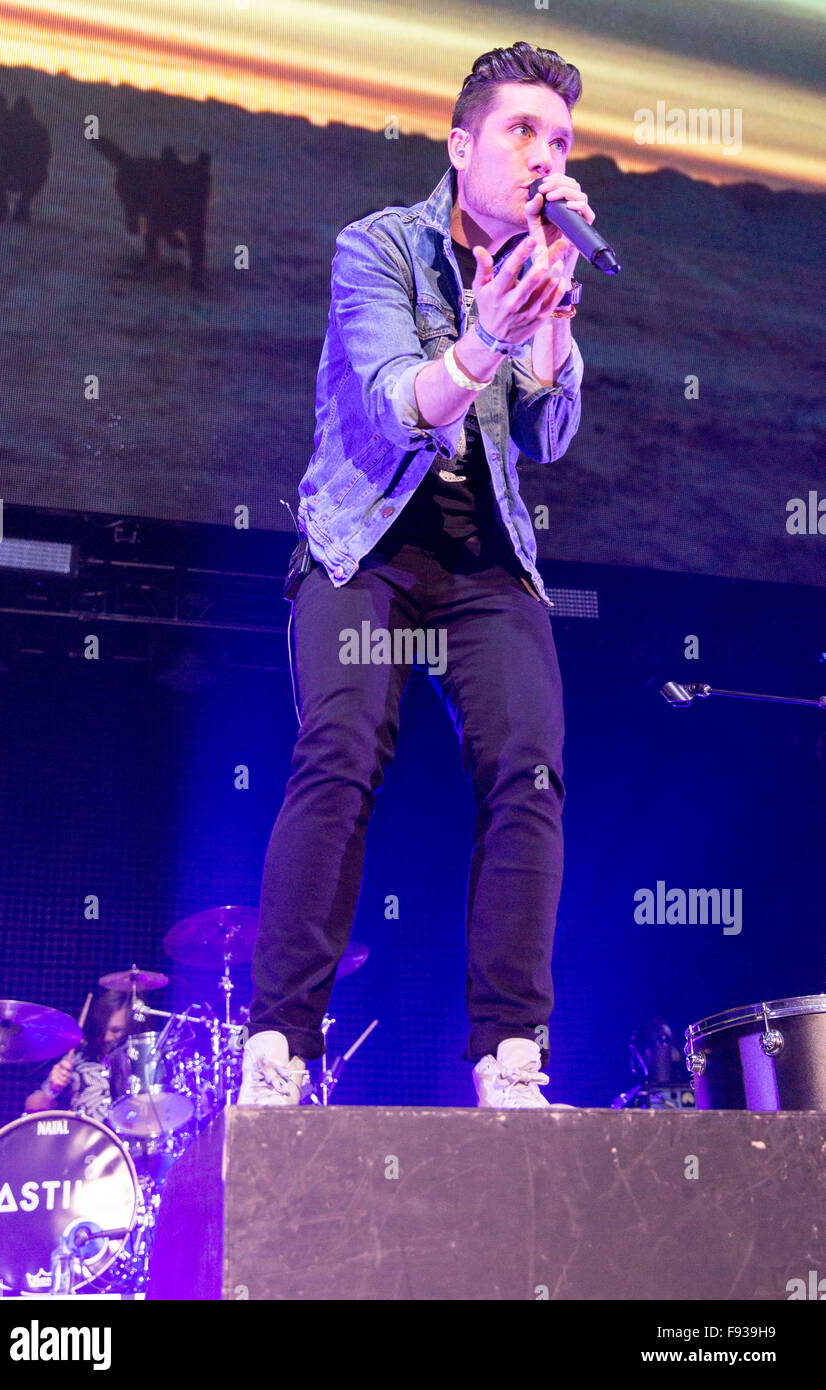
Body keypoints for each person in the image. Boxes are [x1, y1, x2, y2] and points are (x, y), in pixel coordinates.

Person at [239, 43, 593, 1109]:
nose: (544, 156)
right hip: (367, 546)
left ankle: (509, 1052)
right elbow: (400, 404)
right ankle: (280, 1044)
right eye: (521, 132)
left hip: (486, 557)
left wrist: (549, 324)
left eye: (562, 140)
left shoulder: (541, 258)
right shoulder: (377, 248)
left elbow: (549, 433)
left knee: (527, 768)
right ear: (461, 143)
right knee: (340, 752)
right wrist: (489, 331)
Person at [24, 990, 136, 1123]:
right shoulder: (78, 1059)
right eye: (102, 1029)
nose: (106, 1037)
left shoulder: (142, 1064)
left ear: (132, 1028)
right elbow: (31, 1108)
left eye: (115, 1030)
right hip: (80, 1139)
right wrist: (51, 1089)